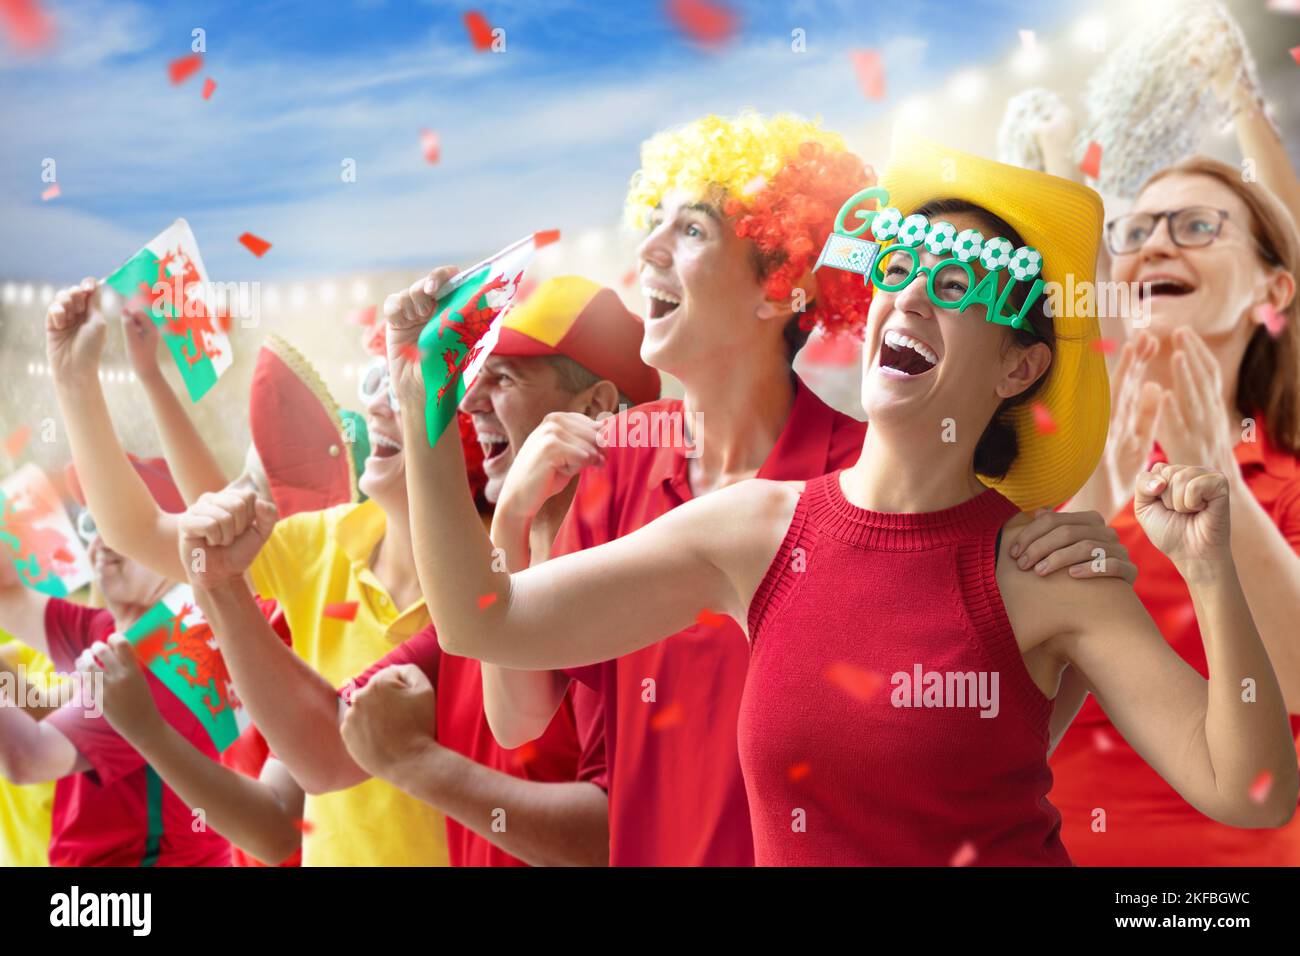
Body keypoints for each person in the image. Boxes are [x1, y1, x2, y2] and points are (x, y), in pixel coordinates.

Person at [337, 129, 1298, 865]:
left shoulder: (1041, 569)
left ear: (1019, 365)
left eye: (955, 285)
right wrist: (426, 390)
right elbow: (480, 620)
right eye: (895, 269)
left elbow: (1252, 788)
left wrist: (1209, 571)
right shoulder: (754, 529)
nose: (909, 298)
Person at [73, 276, 651, 866]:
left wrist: (417, 762)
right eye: (466, 383)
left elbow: (618, 836)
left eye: (496, 379)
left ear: (597, 406)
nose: (467, 403)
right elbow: (326, 755)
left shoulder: (631, 567)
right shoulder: (475, 592)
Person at [1052, 155, 1300, 865]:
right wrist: (1095, 487)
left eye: (1197, 226)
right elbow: (1009, 698)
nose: (1156, 246)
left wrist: (1219, 469)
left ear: (1272, 289)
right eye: (1136, 232)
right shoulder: (1063, 460)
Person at [0, 455, 242, 866]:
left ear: (174, 544)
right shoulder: (108, 629)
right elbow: (8, 596)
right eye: (94, 524)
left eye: (124, 525)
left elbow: (29, 758)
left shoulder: (175, 654)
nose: (103, 541)